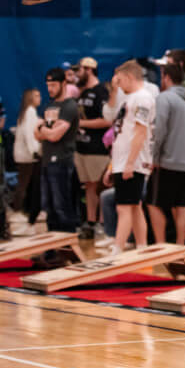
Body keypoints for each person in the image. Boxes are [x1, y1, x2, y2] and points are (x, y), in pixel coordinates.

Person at [151, 62, 185, 249]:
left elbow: (160, 129)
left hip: (168, 161)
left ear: (166, 77)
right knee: (184, 203)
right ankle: (182, 246)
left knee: (153, 203)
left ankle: (160, 246)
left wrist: (154, 158)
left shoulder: (164, 98)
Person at [107, 60, 156, 251]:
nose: (118, 85)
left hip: (133, 161)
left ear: (129, 77)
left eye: (119, 81)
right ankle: (142, 247)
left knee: (124, 207)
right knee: (134, 206)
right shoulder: (129, 98)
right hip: (122, 159)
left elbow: (141, 132)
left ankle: (117, 249)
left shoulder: (143, 98)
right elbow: (120, 132)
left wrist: (129, 163)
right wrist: (113, 165)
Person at [33, 69, 79, 235]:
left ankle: (68, 241)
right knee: (49, 207)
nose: (50, 89)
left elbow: (54, 135)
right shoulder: (49, 105)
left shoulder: (69, 106)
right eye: (48, 85)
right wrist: (45, 129)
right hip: (46, 160)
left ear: (64, 84)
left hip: (61, 160)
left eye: (53, 85)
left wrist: (43, 128)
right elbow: (37, 135)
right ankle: (53, 247)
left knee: (62, 206)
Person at [73, 57, 111, 240]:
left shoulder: (101, 92)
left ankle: (103, 224)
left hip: (97, 148)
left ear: (88, 70)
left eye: (79, 70)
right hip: (82, 147)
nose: (76, 74)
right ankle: (90, 222)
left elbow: (107, 120)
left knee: (100, 186)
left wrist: (82, 123)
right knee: (88, 185)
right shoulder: (82, 92)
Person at [11, 87, 42, 234]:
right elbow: (30, 134)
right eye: (36, 95)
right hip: (27, 155)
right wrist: (35, 151)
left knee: (26, 183)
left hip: (24, 154)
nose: (39, 98)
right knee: (24, 184)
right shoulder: (30, 112)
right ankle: (17, 210)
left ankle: (24, 210)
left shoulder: (26, 112)